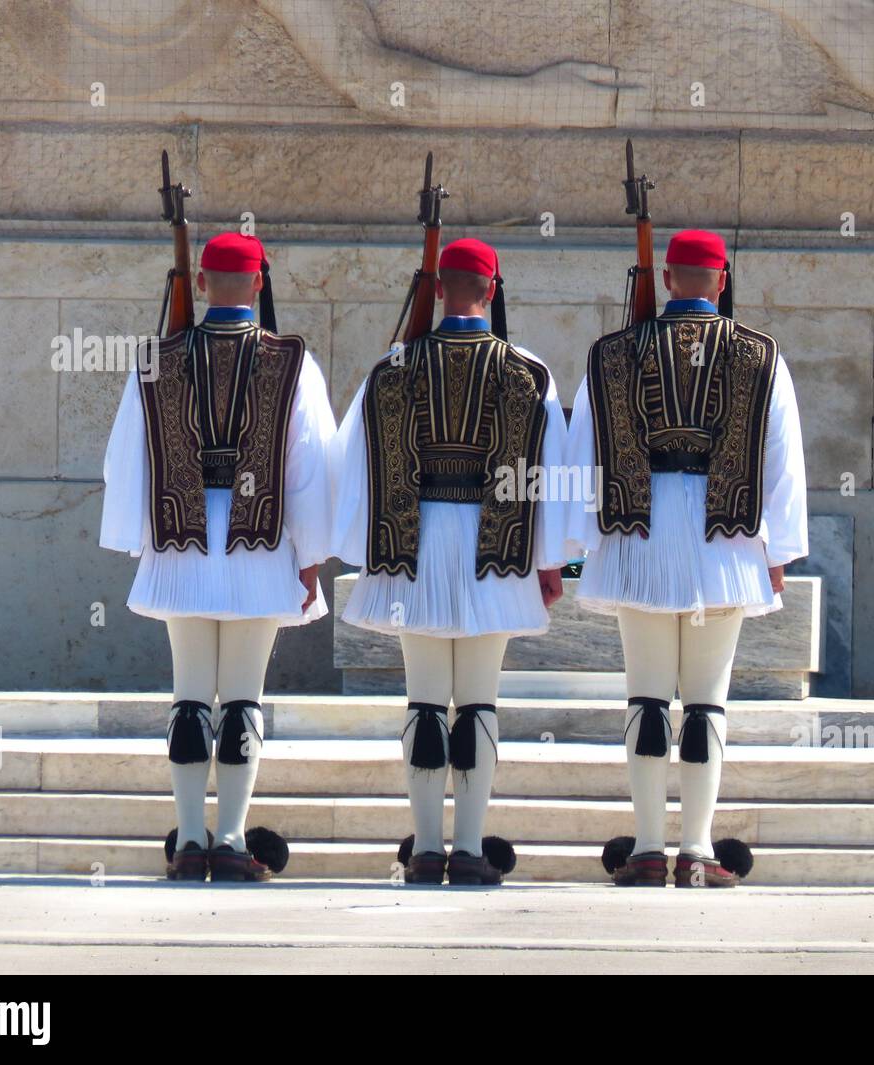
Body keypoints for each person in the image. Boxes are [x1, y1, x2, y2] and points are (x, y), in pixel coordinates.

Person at [566, 229, 808, 887]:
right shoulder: (762, 355)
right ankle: (697, 851)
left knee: (645, 698)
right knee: (706, 703)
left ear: (668, 280)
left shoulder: (612, 354)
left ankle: (647, 848)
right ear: (722, 280)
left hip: (635, 535)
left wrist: (574, 547)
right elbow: (782, 459)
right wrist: (778, 550)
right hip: (725, 541)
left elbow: (580, 452)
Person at [100, 232, 338, 882]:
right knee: (242, 698)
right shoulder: (293, 363)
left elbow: (127, 457)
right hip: (260, 547)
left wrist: (136, 537)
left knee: (187, 697)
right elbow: (311, 467)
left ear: (200, 285)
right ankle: (230, 839)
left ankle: (188, 842)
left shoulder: (156, 359)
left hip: (180, 546)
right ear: (259, 283)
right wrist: (311, 553)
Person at [331, 237, 568, 885]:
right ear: (492, 290)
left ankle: (426, 848)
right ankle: (468, 849)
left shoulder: (393, 366)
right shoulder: (527, 370)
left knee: (425, 701)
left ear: (439, 290)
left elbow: (354, 463)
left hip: (412, 546)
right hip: (497, 547)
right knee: (480, 702)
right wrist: (547, 559)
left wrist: (365, 551)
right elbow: (550, 472)